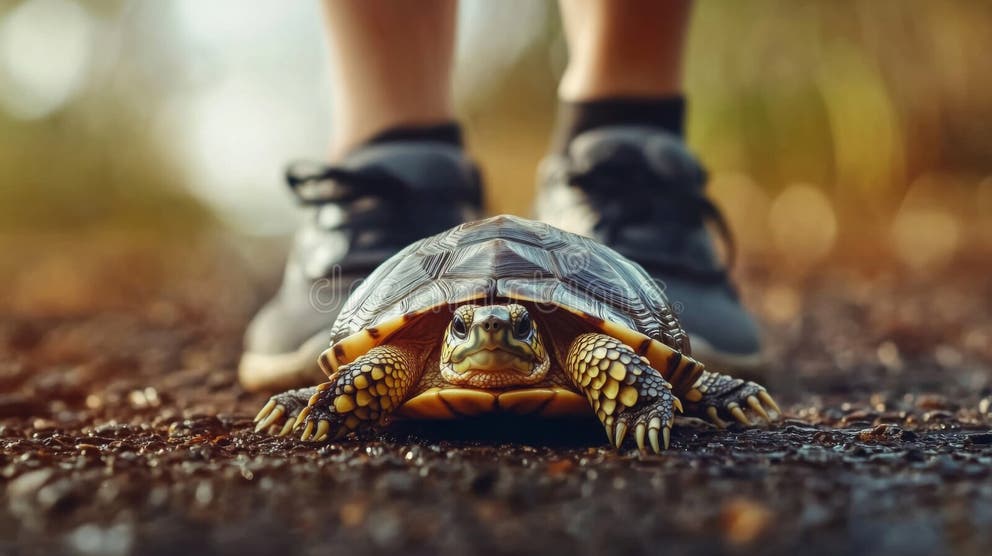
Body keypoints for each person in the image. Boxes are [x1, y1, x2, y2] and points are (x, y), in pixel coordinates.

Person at [238, 0, 763, 392]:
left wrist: (641, 391)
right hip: (422, 335)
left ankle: (624, 139)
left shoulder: (583, 346)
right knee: (378, 356)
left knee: (608, 346)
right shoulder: (411, 353)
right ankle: (392, 155)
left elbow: (598, 349)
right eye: (467, 326)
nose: (490, 329)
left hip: (575, 332)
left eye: (512, 326)